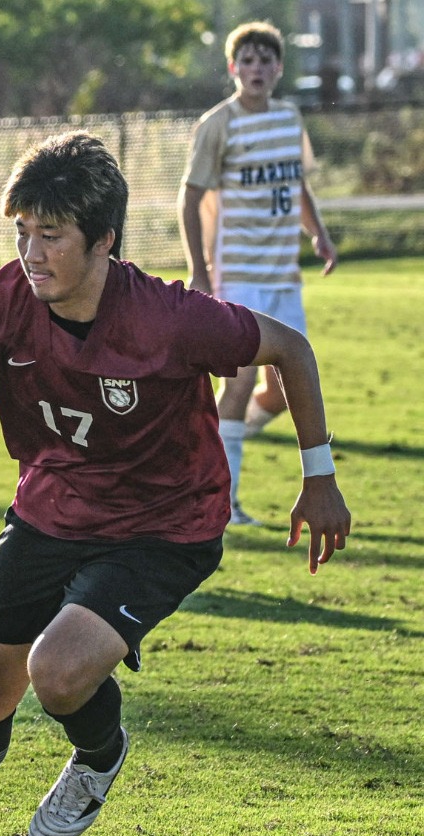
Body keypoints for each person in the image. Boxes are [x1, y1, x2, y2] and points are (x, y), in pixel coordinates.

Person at [0, 132, 350, 836]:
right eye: (21, 231)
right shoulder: (4, 298)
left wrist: (317, 475)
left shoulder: (168, 317)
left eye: (50, 235)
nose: (31, 251)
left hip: (167, 523)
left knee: (56, 673)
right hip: (54, 503)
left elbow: (291, 348)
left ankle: (99, 753)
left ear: (103, 241)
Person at [179, 20, 338, 527]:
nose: (256, 69)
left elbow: (296, 184)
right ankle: (221, 506)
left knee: (288, 387)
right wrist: (199, 270)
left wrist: (319, 232)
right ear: (233, 68)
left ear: (279, 68)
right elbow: (190, 195)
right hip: (239, 275)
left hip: (283, 277)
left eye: (265, 60)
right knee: (242, 384)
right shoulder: (217, 124)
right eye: (247, 60)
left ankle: (214, 445)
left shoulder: (290, 118)